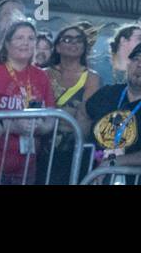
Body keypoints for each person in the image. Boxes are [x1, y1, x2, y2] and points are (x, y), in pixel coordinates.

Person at [0, 20, 55, 184]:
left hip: (26, 168)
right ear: (7, 43)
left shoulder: (41, 76)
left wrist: (39, 127)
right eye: (19, 38)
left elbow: (51, 118)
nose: (25, 43)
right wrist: (11, 126)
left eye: (31, 38)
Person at [85, 39, 141, 171]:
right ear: (128, 65)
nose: (140, 64)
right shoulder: (108, 93)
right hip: (92, 173)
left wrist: (113, 163)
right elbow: (83, 113)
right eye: (136, 59)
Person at [43, 23, 102, 182]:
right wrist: (66, 115)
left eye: (78, 40)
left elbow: (84, 117)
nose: (74, 43)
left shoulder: (91, 77)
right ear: (58, 47)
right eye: (67, 39)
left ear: (84, 47)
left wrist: (55, 114)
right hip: (41, 146)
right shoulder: (44, 74)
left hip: (74, 150)